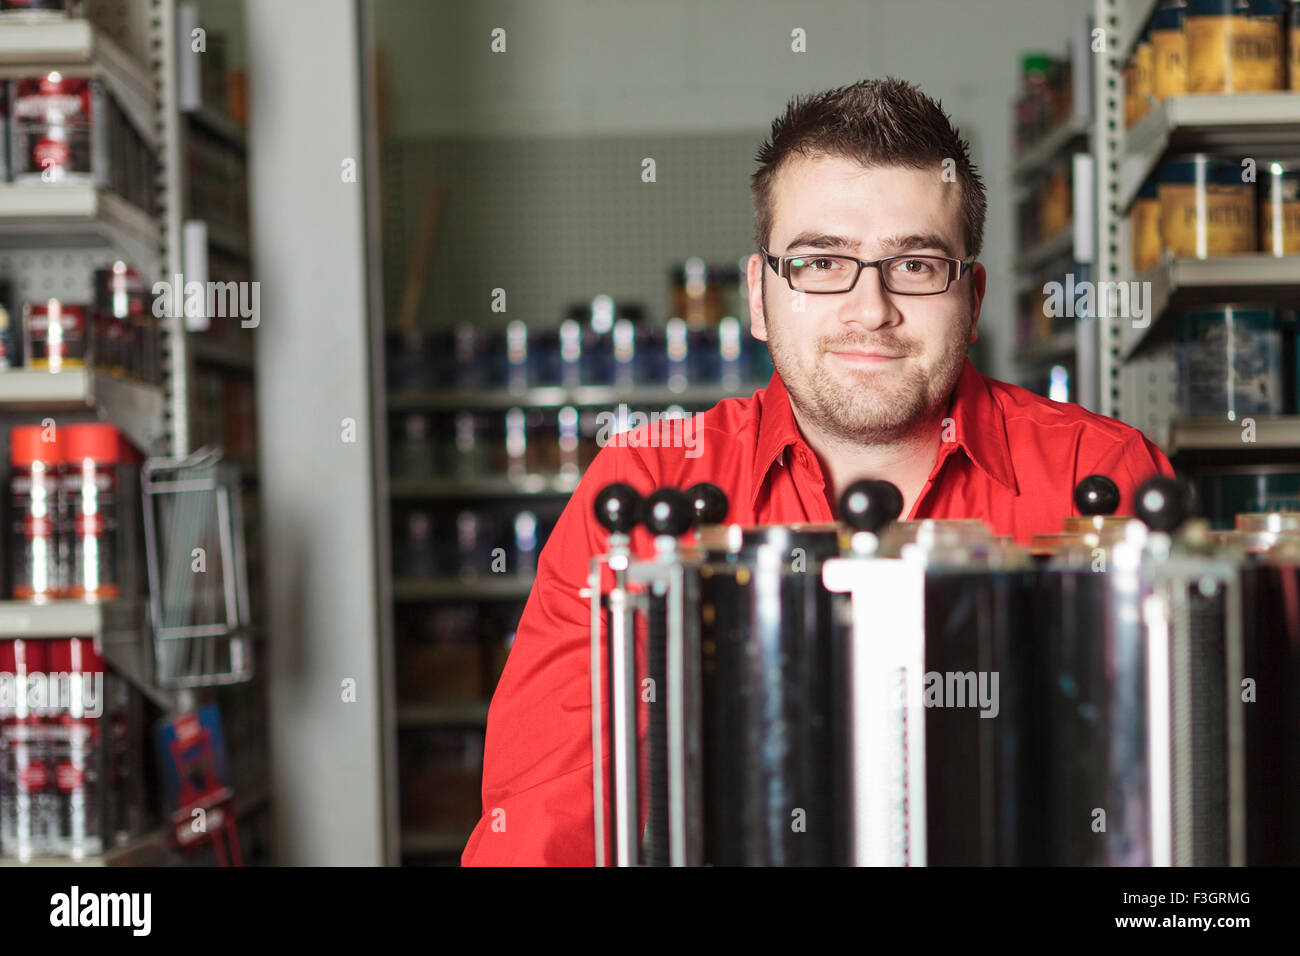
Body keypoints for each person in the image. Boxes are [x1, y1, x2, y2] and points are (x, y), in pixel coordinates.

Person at [461, 77, 1173, 866]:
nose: (870, 309)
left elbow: (1167, 809)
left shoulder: (1096, 476)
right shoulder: (646, 491)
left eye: (915, 265)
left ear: (970, 302)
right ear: (761, 296)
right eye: (822, 261)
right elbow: (546, 819)